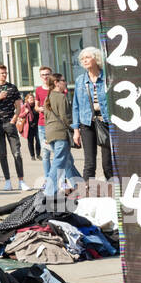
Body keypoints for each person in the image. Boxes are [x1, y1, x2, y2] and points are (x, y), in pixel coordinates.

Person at [72, 46, 114, 195]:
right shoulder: (80, 80)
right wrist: (76, 130)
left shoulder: (107, 78)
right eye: (82, 59)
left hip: (106, 122)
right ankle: (84, 194)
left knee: (108, 162)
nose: (84, 60)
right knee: (89, 163)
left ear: (96, 59)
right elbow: (76, 105)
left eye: (87, 57)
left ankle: (114, 193)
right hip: (87, 123)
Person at [0, 64, 28, 191]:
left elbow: (19, 106)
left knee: (16, 152)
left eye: (5, 73)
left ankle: (21, 180)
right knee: (2, 154)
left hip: (10, 123)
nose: (4, 75)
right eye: (1, 73)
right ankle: (7, 181)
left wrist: (14, 119)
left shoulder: (12, 87)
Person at [43, 74, 80, 206]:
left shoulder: (47, 97)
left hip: (51, 133)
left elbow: (46, 118)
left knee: (68, 162)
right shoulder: (61, 97)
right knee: (58, 163)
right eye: (64, 81)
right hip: (60, 133)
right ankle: (49, 191)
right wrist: (76, 129)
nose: (66, 83)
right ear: (57, 83)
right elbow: (66, 118)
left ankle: (80, 185)